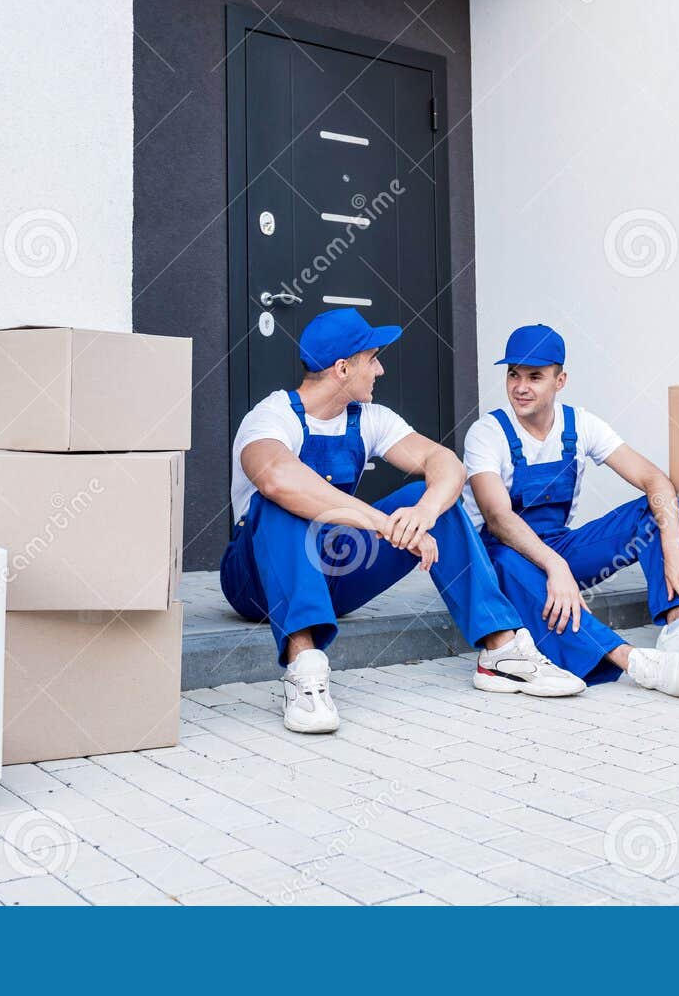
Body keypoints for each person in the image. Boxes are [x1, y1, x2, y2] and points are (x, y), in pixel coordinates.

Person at [220, 308, 585, 734]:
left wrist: (423, 513)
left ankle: (501, 651)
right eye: (372, 359)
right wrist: (383, 523)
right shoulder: (271, 417)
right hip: (255, 583)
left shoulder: (370, 418)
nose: (380, 369)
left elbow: (445, 463)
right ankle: (305, 669)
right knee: (276, 501)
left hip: (335, 571)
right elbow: (277, 478)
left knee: (428, 498)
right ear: (342, 368)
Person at [466, 324, 679, 696]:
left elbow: (654, 480)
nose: (520, 387)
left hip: (559, 549)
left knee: (656, 510)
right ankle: (631, 660)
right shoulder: (487, 433)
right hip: (501, 559)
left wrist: (672, 548)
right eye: (514, 374)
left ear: (560, 381)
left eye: (535, 377)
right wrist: (555, 567)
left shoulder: (580, 425)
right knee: (508, 562)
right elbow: (498, 519)